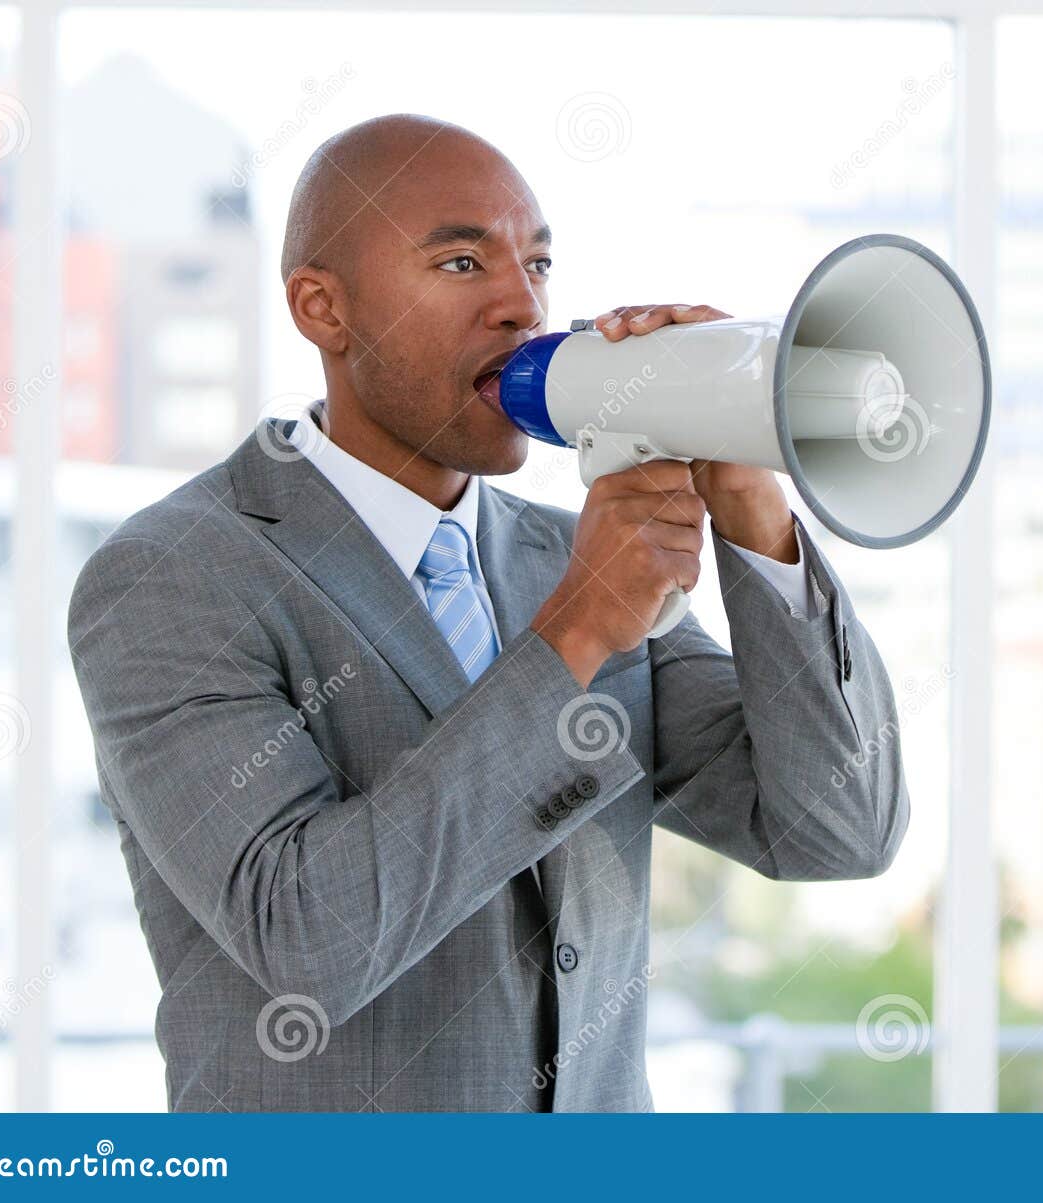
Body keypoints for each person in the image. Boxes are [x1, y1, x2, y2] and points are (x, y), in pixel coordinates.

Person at [67, 114, 908, 1112]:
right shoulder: (172, 575)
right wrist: (575, 635)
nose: (523, 303)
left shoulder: (572, 553)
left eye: (539, 262)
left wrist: (751, 508)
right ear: (322, 308)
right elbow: (308, 943)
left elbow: (837, 830)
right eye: (463, 262)